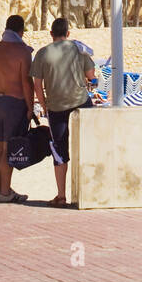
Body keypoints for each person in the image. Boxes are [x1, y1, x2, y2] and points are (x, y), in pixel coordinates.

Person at [31, 18, 95, 207]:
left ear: (51, 34)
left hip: (56, 107)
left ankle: (61, 195)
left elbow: (37, 84)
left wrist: (43, 105)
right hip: (81, 103)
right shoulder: (78, 48)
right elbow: (91, 75)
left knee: (59, 150)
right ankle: (88, 193)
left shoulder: (42, 54)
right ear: (68, 34)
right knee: (86, 146)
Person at [0, 13, 34, 204]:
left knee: (1, 148)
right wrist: (30, 107)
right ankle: (6, 192)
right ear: (21, 31)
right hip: (15, 103)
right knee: (10, 150)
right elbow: (26, 82)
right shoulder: (22, 52)